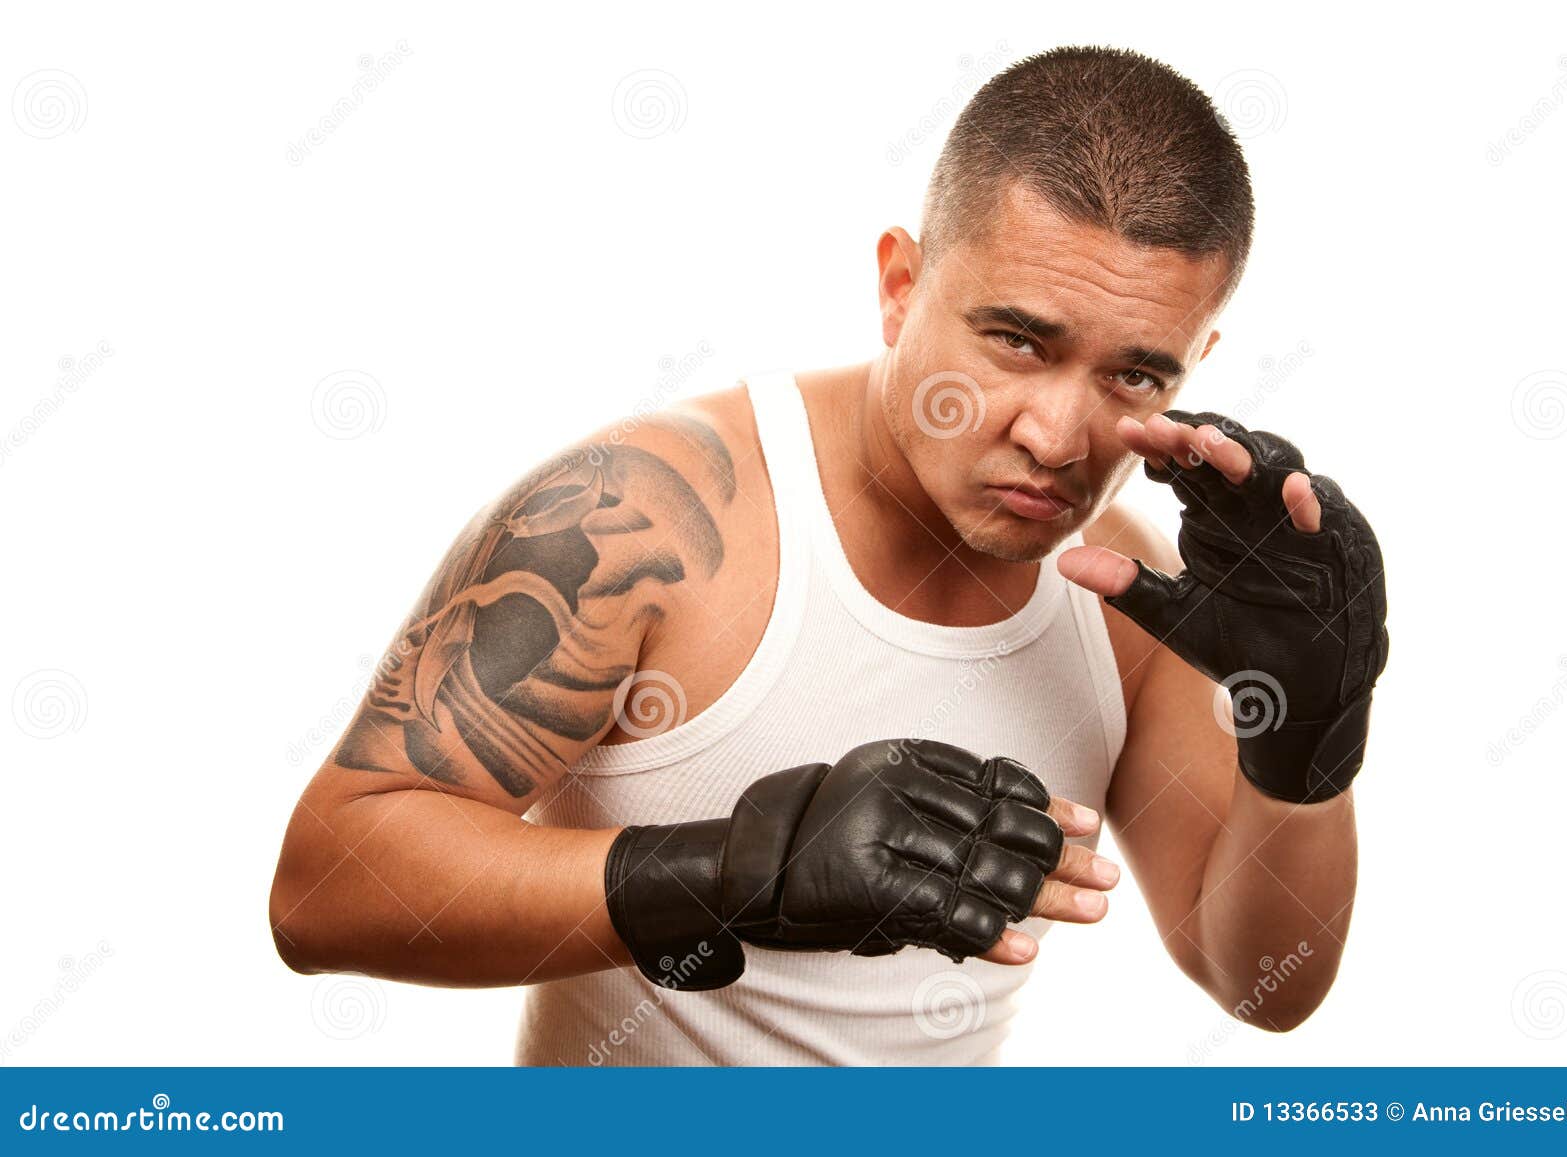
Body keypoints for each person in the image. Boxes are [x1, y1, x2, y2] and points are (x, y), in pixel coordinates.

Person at [269, 44, 1388, 1065]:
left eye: (1132, 376)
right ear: (901, 285)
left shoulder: (1123, 599)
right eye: (1014, 340)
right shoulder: (649, 516)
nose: (1056, 436)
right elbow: (326, 885)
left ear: (1197, 358)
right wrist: (730, 872)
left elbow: (1259, 984)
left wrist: (1306, 748)